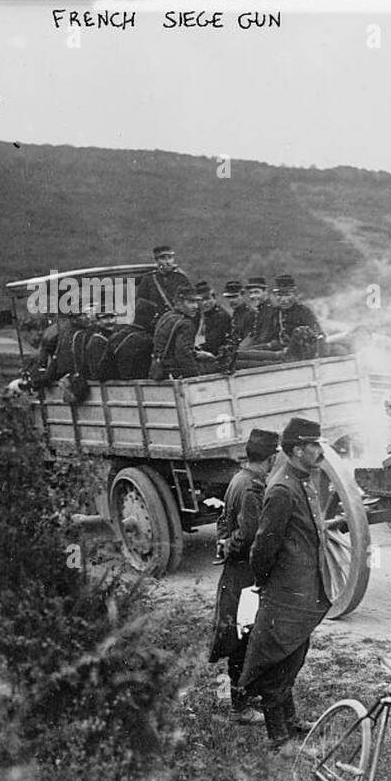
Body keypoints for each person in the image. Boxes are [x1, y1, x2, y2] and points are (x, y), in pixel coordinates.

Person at [240, 418, 335, 753]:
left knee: (293, 654)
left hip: (301, 589)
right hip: (286, 592)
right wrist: (267, 584)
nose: (320, 450)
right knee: (277, 661)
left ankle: (290, 720)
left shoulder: (299, 480)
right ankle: (278, 737)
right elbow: (263, 546)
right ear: (297, 450)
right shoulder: (282, 489)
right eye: (314, 445)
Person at [211, 428, 280, 724]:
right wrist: (232, 547)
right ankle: (240, 707)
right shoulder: (252, 487)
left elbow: (223, 521)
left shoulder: (237, 480)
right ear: (271, 458)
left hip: (234, 574)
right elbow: (251, 534)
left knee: (241, 637)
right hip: (245, 576)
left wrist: (224, 543)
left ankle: (243, 698)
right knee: (245, 639)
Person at [152, 287, 214, 379]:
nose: (196, 306)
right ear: (179, 303)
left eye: (196, 302)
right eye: (190, 302)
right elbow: (184, 354)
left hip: (161, 369)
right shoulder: (186, 324)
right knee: (223, 366)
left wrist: (198, 354)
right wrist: (196, 376)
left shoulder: (167, 316)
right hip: (176, 371)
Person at [134, 244, 192, 330]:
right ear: (156, 261)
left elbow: (191, 302)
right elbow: (140, 305)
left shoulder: (182, 279)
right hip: (155, 326)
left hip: (178, 324)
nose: (168, 262)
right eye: (163, 258)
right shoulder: (148, 280)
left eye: (170, 258)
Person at [104, 303, 156, 379]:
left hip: (113, 383)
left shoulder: (115, 337)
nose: (153, 321)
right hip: (138, 384)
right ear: (145, 317)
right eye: (152, 317)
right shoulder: (145, 339)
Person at [194, 281, 232, 359]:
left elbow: (213, 344)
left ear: (214, 298)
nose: (205, 303)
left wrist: (198, 349)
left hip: (221, 355)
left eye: (207, 299)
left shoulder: (221, 316)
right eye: (201, 300)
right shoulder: (204, 314)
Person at [224, 280, 257, 349]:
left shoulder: (250, 314)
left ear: (242, 295)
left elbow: (249, 340)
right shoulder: (236, 313)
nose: (231, 300)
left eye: (235, 297)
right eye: (229, 297)